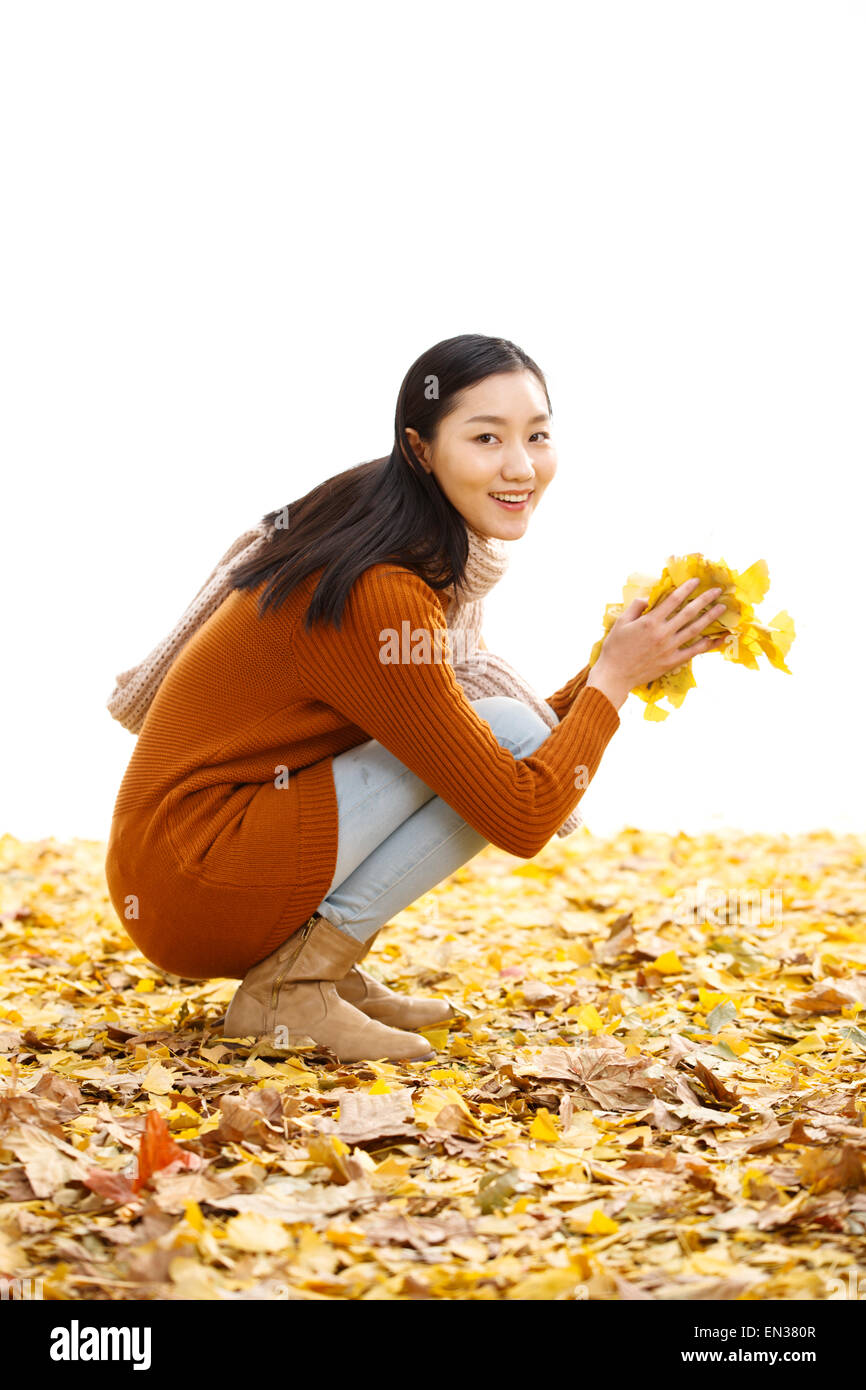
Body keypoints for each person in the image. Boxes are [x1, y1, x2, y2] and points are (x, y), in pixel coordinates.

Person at [104, 333, 727, 1064]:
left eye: (538, 435)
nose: (520, 466)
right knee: (500, 730)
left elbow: (465, 746)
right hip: (198, 882)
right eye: (486, 437)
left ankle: (315, 971)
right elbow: (520, 810)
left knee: (500, 729)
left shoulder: (386, 537)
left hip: (188, 865)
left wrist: (617, 662)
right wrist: (612, 683)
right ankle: (293, 985)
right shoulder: (383, 591)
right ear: (420, 448)